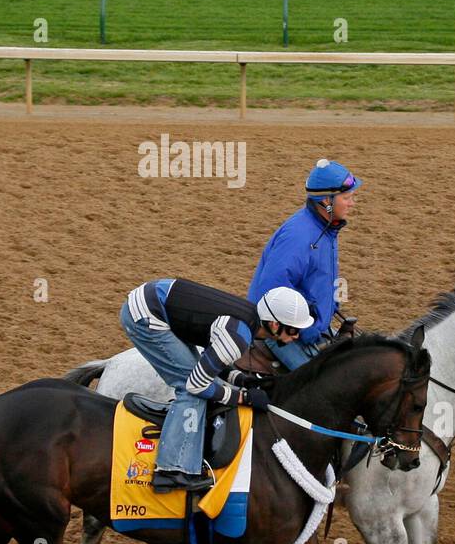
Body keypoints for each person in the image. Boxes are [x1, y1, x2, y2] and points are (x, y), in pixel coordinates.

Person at [120, 279, 312, 493]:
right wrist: (244, 398)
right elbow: (196, 384)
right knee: (189, 389)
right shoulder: (238, 336)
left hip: (155, 304)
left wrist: (242, 380)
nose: (297, 337)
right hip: (146, 316)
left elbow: (211, 360)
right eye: (294, 330)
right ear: (275, 325)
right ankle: (171, 470)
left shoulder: (248, 320)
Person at [248, 159, 361, 370]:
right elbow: (272, 288)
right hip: (283, 332)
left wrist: (328, 312)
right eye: (347, 198)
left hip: (310, 326)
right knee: (321, 390)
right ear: (327, 201)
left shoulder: (325, 229)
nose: (352, 204)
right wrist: (308, 330)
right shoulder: (298, 236)